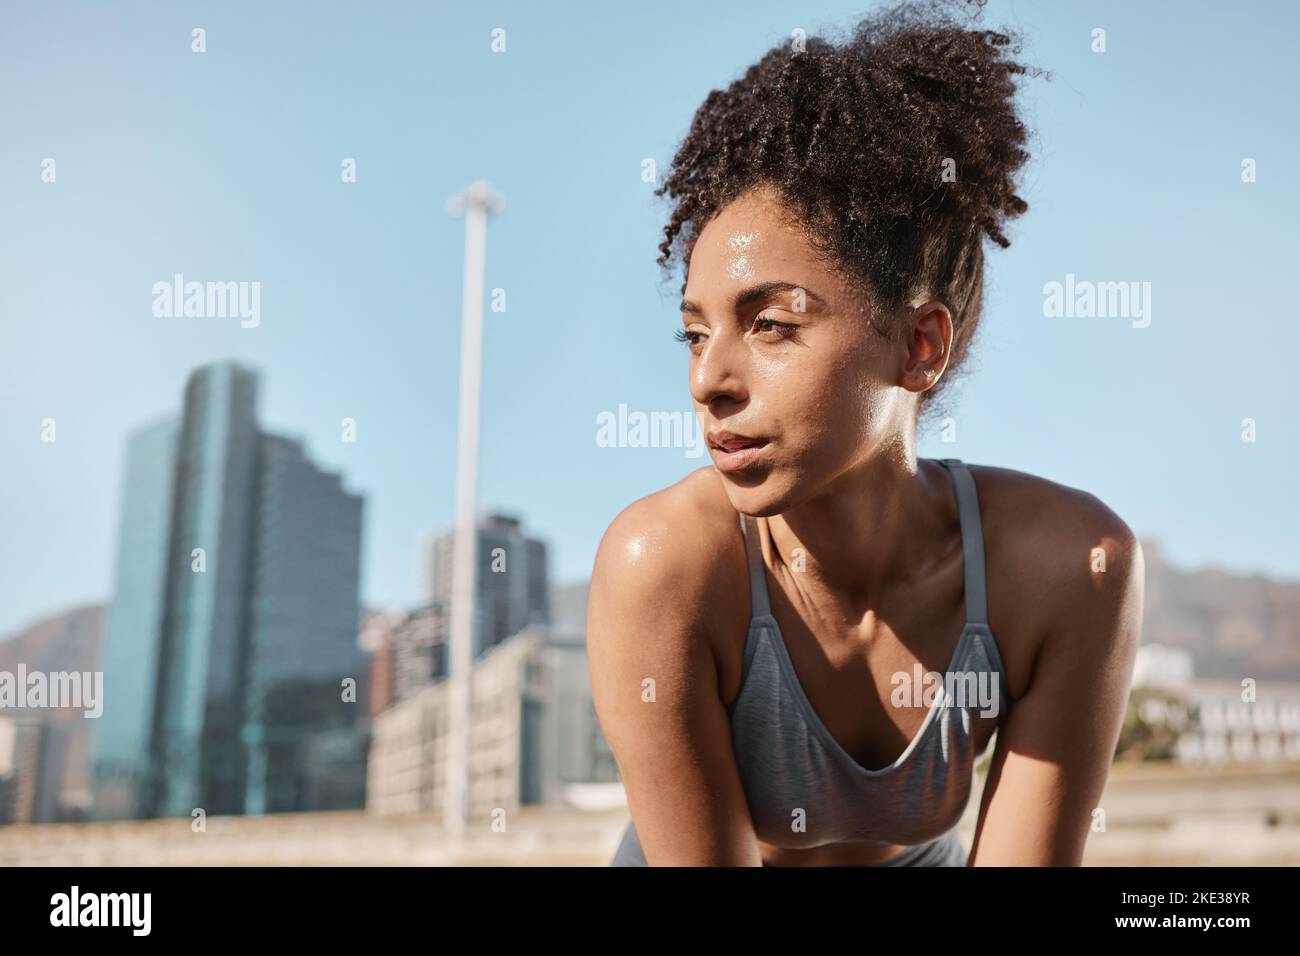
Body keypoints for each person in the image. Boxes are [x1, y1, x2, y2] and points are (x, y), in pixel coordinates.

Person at [586, 0, 1144, 866]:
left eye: (771, 324)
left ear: (919, 347)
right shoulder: (663, 567)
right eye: (695, 333)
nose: (707, 381)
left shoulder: (1072, 566)